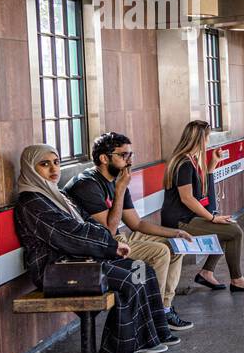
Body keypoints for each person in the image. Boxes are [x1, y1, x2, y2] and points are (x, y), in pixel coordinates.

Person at [13, 145, 175, 353]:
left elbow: (85, 222)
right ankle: (117, 352)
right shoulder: (31, 202)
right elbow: (69, 234)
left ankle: (148, 337)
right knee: (129, 280)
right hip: (55, 270)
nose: (53, 168)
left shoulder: (55, 195)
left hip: (76, 261)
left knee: (141, 269)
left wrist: (111, 243)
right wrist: (111, 245)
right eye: (44, 164)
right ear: (30, 168)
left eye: (56, 162)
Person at [65, 132, 196, 334]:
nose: (130, 160)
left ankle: (165, 308)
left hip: (118, 238)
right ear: (104, 158)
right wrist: (119, 191)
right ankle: (153, 315)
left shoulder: (118, 179)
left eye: (130, 154)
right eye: (123, 155)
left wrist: (175, 233)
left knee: (175, 245)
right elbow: (108, 231)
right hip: (98, 246)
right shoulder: (87, 184)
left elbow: (136, 223)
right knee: (160, 252)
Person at [160, 120, 244, 293]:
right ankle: (237, 280)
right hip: (180, 221)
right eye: (207, 137)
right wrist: (212, 218)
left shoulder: (189, 160)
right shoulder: (184, 164)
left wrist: (211, 168)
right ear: (200, 139)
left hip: (188, 217)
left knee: (226, 230)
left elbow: (203, 198)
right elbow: (187, 199)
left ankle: (207, 272)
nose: (208, 141)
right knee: (235, 232)